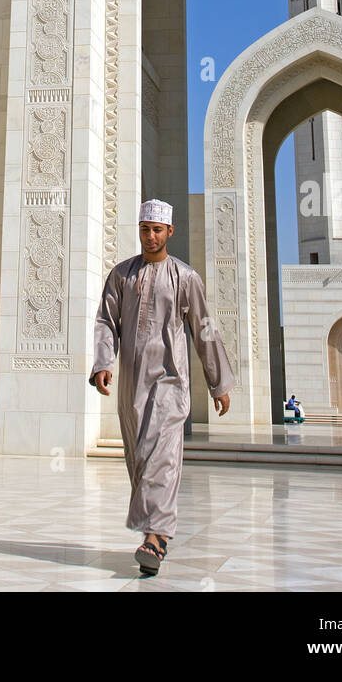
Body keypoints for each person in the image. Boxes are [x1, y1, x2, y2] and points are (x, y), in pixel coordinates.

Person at [89, 198, 236, 576]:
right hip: (132, 385)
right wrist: (104, 362)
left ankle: (156, 537)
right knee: (139, 458)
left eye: (157, 230)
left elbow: (204, 329)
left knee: (163, 457)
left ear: (170, 232)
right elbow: (106, 321)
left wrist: (218, 382)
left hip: (171, 381)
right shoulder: (122, 275)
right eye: (144, 229)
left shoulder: (185, 277)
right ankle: (156, 531)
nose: (150, 236)